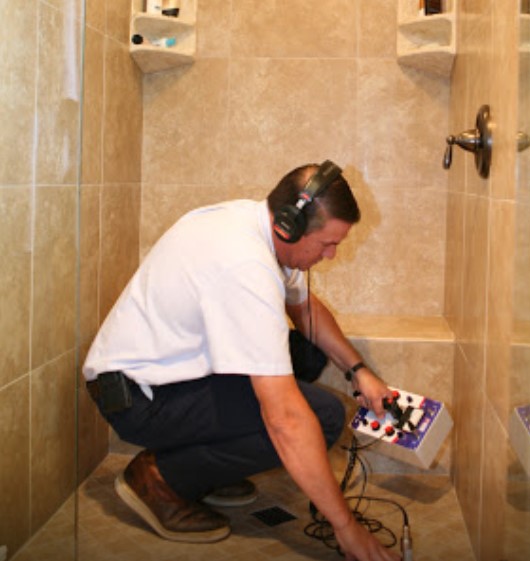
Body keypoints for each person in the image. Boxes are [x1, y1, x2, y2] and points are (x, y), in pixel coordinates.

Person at [83, 160, 401, 561]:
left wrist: (359, 371)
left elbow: (304, 308)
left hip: (159, 377)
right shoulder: (246, 266)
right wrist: (346, 526)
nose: (332, 255)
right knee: (321, 416)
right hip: (137, 399)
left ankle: (206, 468)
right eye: (326, 244)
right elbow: (285, 419)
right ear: (289, 227)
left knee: (304, 354)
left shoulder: (253, 224)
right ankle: (162, 477)